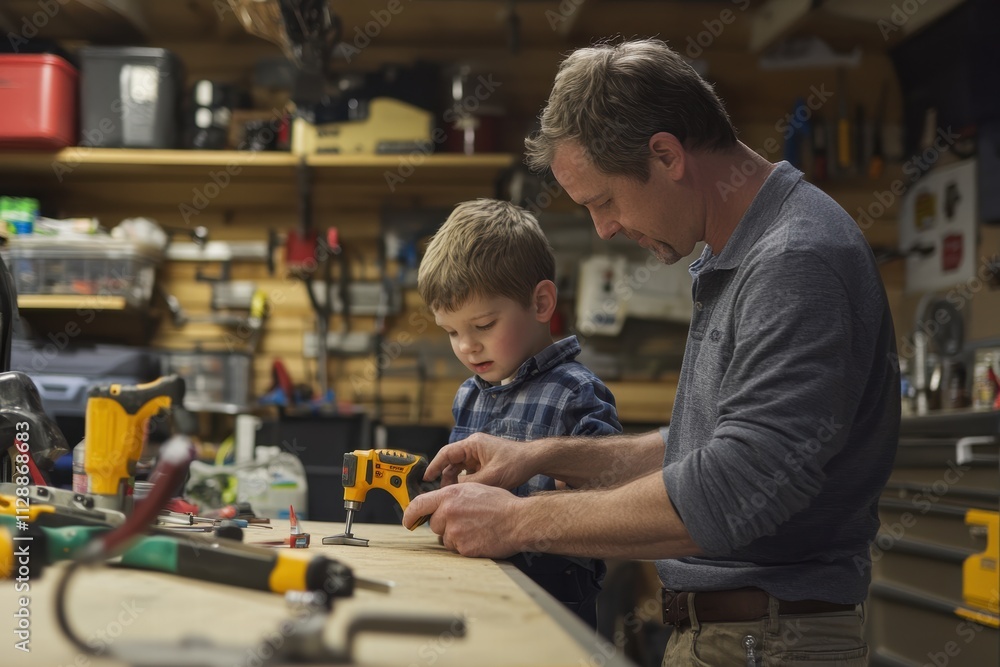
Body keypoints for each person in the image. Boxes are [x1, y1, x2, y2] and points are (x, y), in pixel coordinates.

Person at [403, 38, 899, 666]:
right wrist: (539, 456)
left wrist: (517, 521)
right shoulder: (736, 258)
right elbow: (711, 445)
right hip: (733, 636)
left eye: (603, 201)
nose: (604, 228)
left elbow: (737, 487)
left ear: (665, 154)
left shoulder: (795, 260)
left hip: (768, 642)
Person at [416, 198, 623, 627]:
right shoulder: (468, 395)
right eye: (451, 332)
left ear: (542, 303)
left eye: (484, 325)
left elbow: (613, 502)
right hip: (477, 592)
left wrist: (574, 488)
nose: (466, 346)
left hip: (554, 602)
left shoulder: (576, 392)